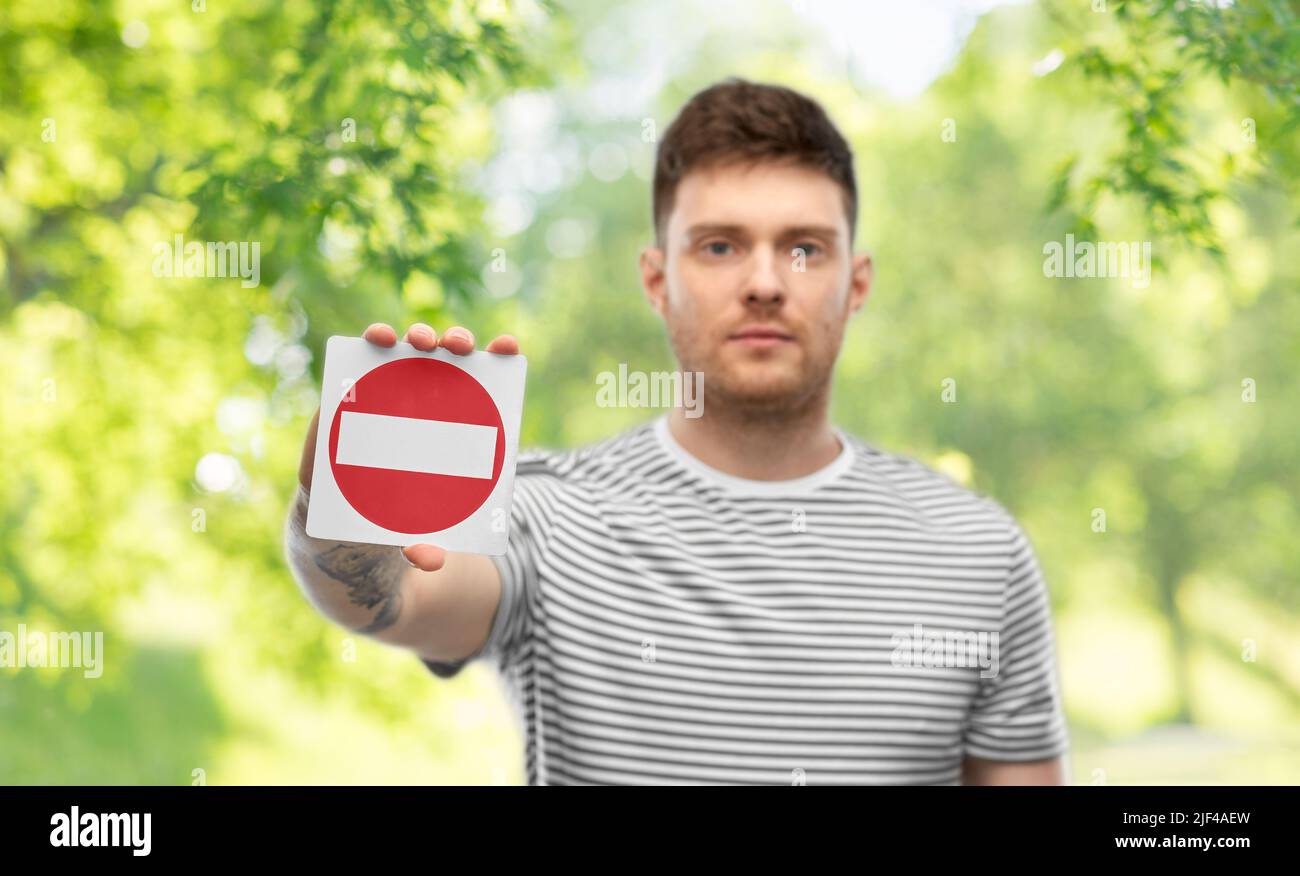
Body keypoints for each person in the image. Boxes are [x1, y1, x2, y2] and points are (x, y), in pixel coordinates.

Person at [284, 77, 1070, 785]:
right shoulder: (547, 515)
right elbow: (397, 597)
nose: (764, 283)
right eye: (720, 246)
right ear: (657, 281)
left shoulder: (979, 552)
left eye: (804, 249)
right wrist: (341, 506)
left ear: (854, 282)